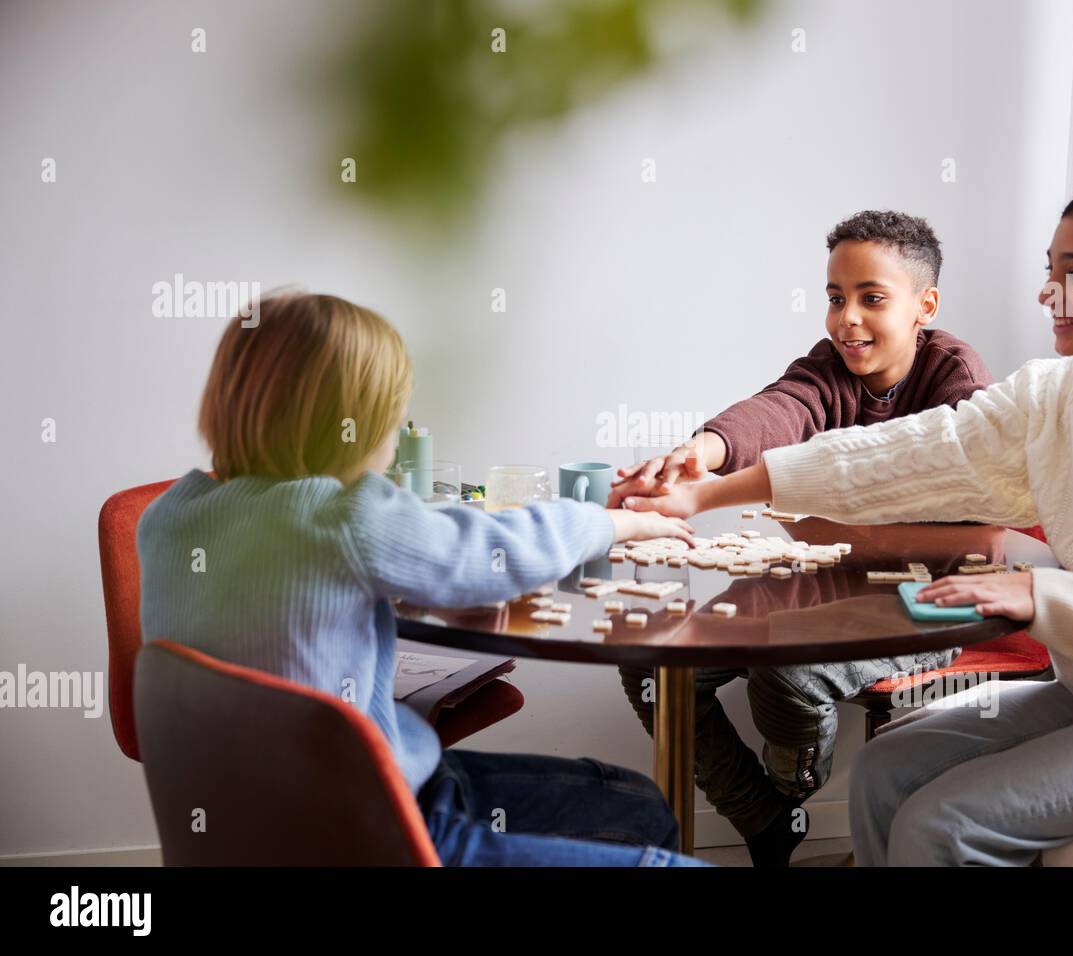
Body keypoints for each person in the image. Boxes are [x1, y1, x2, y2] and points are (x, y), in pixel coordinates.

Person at [620, 177, 1073, 865]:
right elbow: (899, 455)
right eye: (1050, 272)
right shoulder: (1050, 395)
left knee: (940, 827)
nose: (1048, 294)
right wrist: (705, 494)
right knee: (883, 775)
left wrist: (1042, 594)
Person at [138, 291, 706, 866]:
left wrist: (421, 595)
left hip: (256, 826)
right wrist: (611, 522)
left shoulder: (170, 519)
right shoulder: (344, 516)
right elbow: (490, 550)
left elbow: (293, 604)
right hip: (376, 829)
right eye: (392, 417)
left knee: (639, 806)